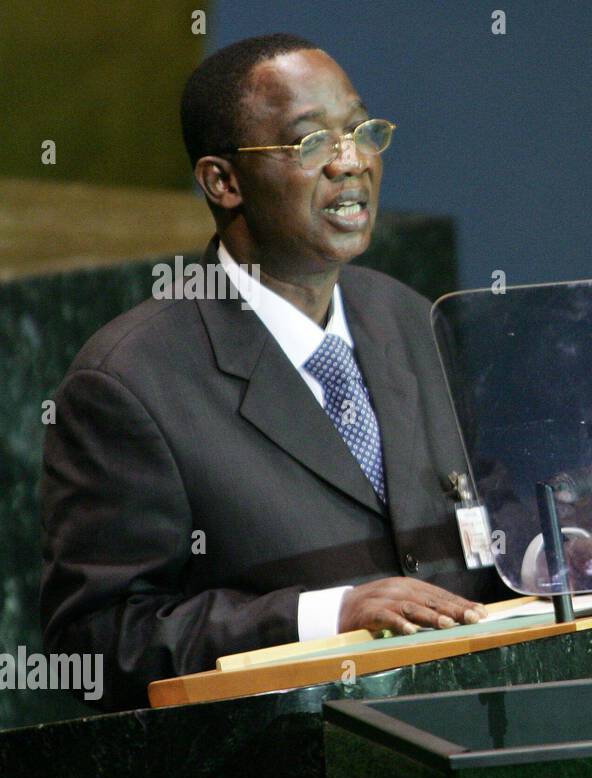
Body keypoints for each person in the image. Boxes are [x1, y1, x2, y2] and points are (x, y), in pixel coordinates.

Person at [39, 34, 505, 711]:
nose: (351, 164)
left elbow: (478, 517)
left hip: (470, 743)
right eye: (311, 143)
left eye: (361, 131)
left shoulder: (406, 316)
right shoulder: (129, 384)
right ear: (222, 182)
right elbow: (97, 641)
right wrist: (324, 617)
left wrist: (568, 556)